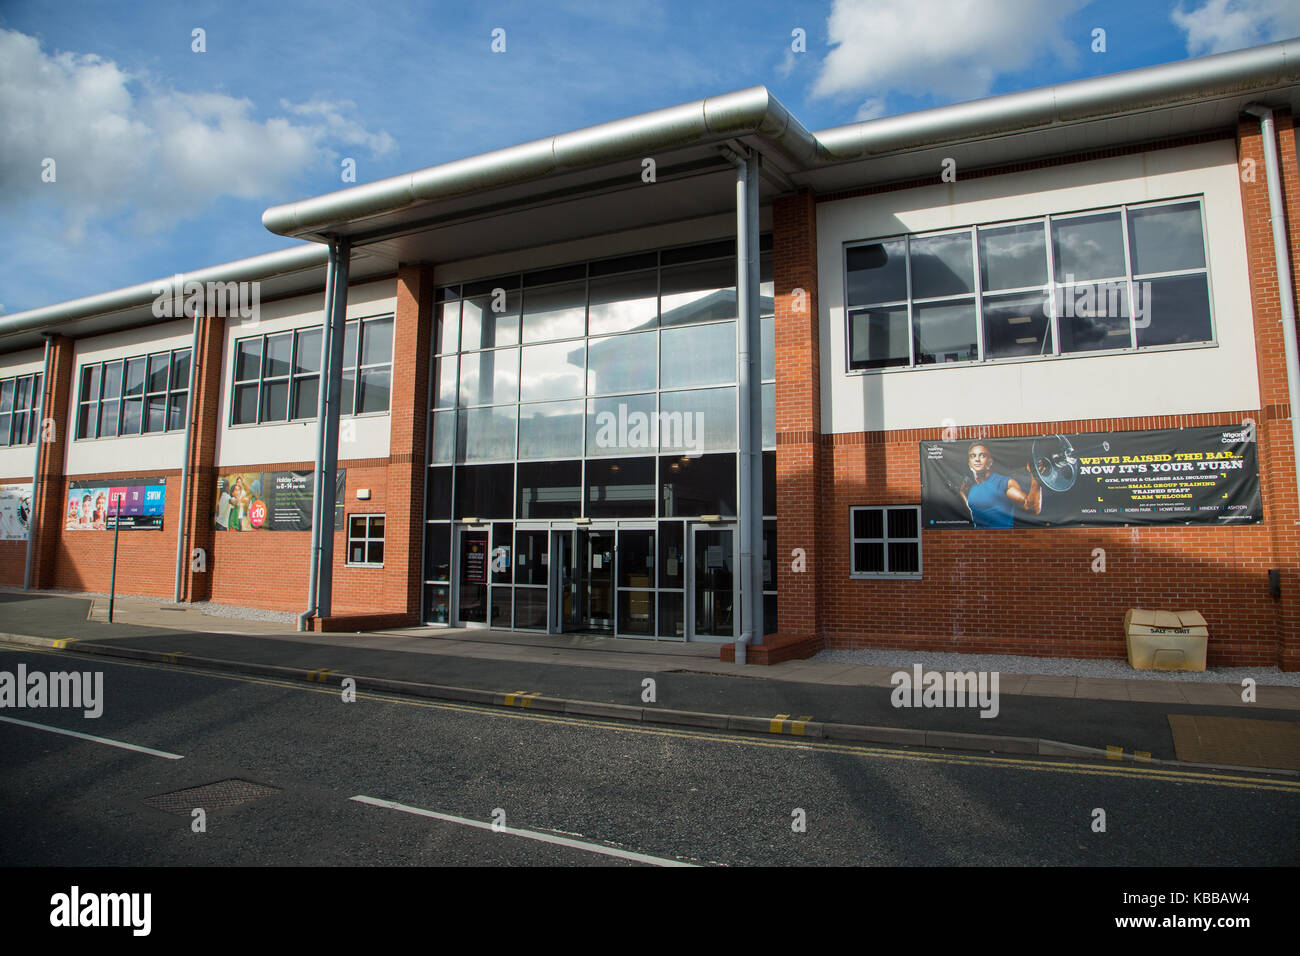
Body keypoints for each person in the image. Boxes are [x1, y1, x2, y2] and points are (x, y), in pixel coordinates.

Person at [959, 442, 1042, 529]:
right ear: (969, 463)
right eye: (973, 456)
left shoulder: (1004, 483)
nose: (977, 459)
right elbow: (973, 512)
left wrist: (1036, 478)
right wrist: (962, 494)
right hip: (980, 540)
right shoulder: (972, 489)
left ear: (990, 462)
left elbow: (1032, 508)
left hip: (1001, 539)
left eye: (982, 455)